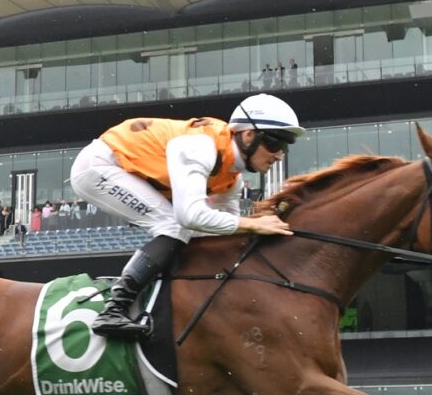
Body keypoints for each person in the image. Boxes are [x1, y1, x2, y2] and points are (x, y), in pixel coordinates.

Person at [71, 94, 304, 340]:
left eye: (286, 148)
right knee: (174, 226)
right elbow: (189, 216)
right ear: (248, 136)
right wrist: (252, 224)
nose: (280, 155)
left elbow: (221, 232)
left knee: (195, 230)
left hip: (125, 169)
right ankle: (114, 308)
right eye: (278, 144)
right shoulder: (200, 147)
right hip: (99, 166)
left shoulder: (232, 179)